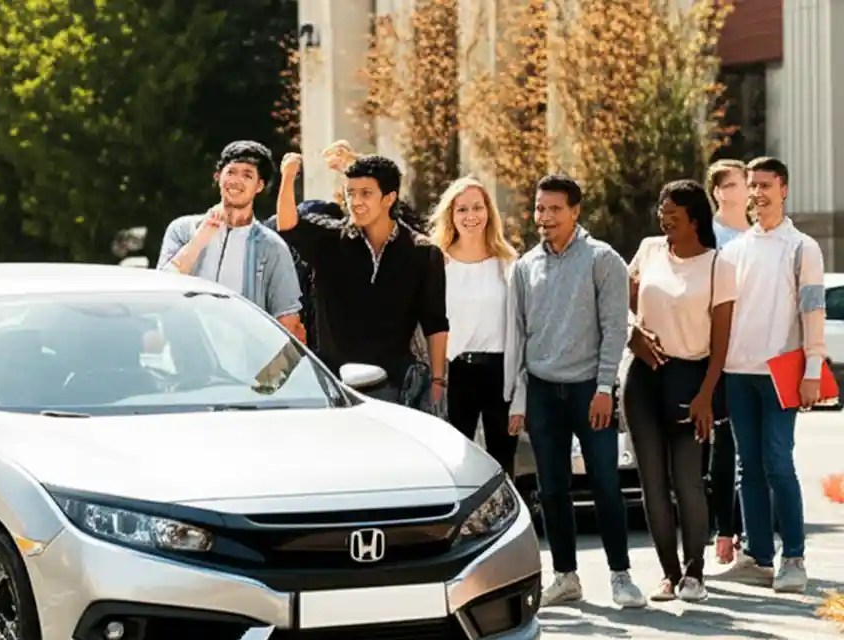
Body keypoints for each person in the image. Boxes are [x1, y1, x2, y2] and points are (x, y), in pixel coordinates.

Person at [504, 174, 646, 609]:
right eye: (540, 208)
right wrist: (519, 399)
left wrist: (605, 387)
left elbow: (614, 329)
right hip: (544, 393)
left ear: (576, 211)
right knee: (551, 489)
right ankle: (566, 577)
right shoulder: (525, 267)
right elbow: (521, 336)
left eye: (554, 209)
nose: (544, 217)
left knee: (605, 483)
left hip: (591, 390)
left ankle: (621, 576)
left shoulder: (603, 260)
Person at [624, 180, 736, 603]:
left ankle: (695, 573)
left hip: (692, 378)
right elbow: (621, 301)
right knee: (651, 482)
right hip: (643, 378)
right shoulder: (650, 250)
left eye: (672, 212)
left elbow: (721, 341)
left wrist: (708, 393)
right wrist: (632, 333)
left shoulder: (717, 265)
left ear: (694, 219)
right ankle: (668, 575)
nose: (663, 217)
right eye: (661, 210)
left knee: (688, 481)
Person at [721, 156, 826, 594]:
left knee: (778, 462)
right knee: (748, 467)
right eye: (752, 186)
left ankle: (795, 559)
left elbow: (813, 311)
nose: (758, 194)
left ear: (783, 188)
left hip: (782, 371)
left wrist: (814, 369)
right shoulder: (735, 249)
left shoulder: (803, 247)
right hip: (736, 372)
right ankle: (759, 557)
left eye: (766, 185)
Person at [275, 152, 448, 404]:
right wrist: (288, 176)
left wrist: (437, 381)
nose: (355, 201)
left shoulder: (422, 253)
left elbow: (435, 323)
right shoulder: (329, 241)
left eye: (365, 193)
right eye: (350, 193)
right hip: (335, 385)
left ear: (389, 198)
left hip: (395, 386)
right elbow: (288, 225)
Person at [157, 141, 306, 341]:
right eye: (231, 172)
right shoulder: (182, 230)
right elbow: (162, 287)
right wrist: (201, 237)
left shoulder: (272, 246)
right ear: (218, 177)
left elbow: (288, 319)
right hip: (187, 352)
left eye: (247, 175)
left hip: (246, 359)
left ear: (259, 186)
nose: (236, 180)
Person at [428, 177, 519, 475]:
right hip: (455, 373)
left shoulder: (508, 263)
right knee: (456, 463)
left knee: (502, 463)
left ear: (489, 212)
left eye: (478, 208)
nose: (471, 216)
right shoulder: (436, 263)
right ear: (451, 216)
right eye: (462, 209)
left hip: (500, 372)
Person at [703, 159, 750, 564]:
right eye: (734, 184)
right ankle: (725, 530)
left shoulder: (760, 235)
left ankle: (752, 535)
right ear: (718, 190)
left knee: (758, 449)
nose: (745, 190)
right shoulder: (711, 236)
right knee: (723, 445)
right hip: (717, 356)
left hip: (756, 356)